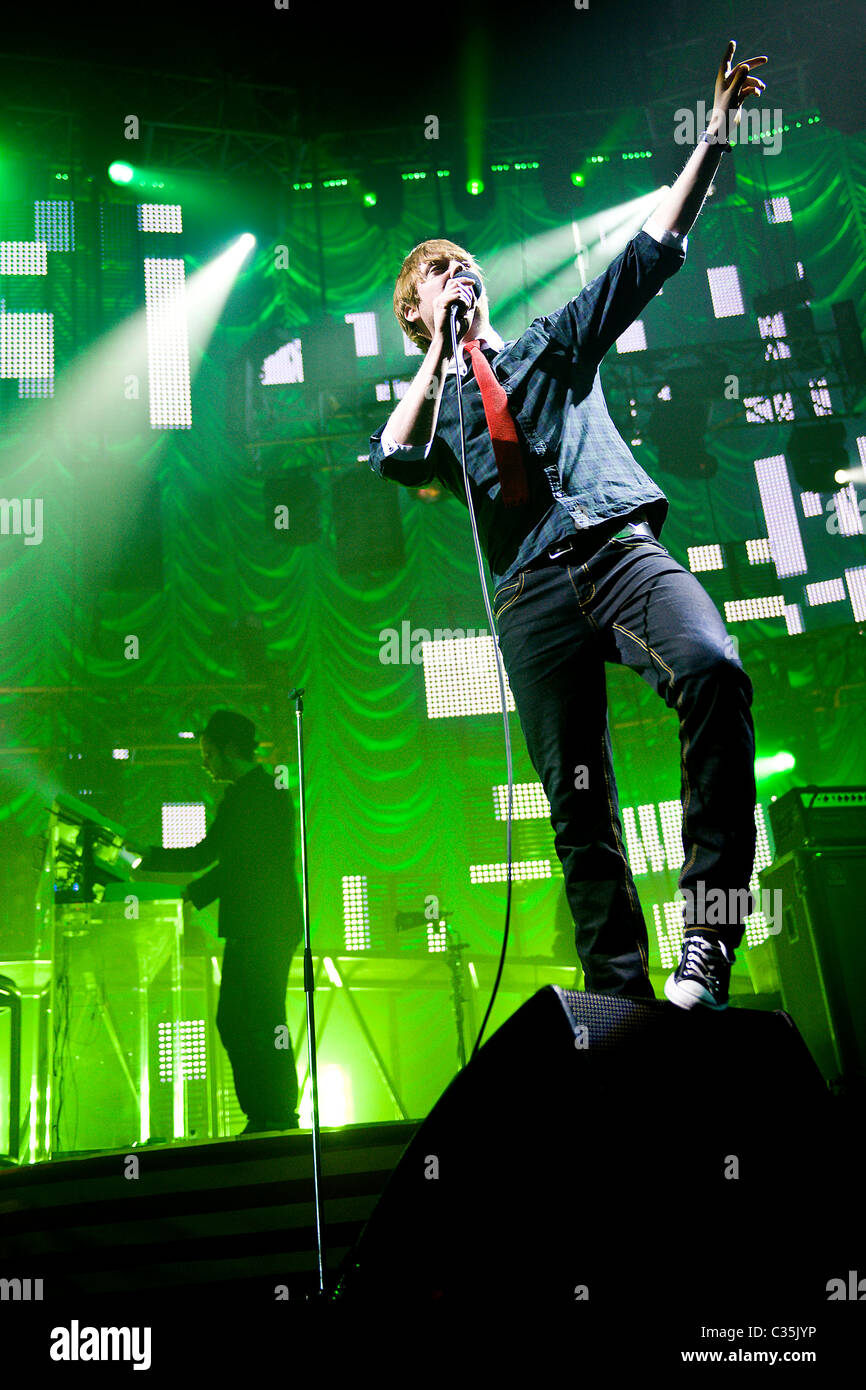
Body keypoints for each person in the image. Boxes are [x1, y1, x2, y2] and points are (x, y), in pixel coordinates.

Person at [368, 43, 768, 1010]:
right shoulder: (437, 407)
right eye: (434, 275)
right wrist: (440, 356)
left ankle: (708, 943)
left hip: (615, 550)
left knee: (713, 667)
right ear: (416, 315)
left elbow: (647, 257)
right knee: (582, 806)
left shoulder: (550, 345)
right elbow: (392, 455)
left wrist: (711, 141)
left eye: (462, 266)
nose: (455, 272)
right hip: (531, 598)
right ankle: (623, 1003)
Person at [137, 710, 303, 1132]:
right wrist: (147, 857)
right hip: (259, 924)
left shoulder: (258, 793)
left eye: (208, 752)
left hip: (263, 925)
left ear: (229, 749)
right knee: (250, 1017)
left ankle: (275, 1115)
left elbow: (236, 861)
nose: (205, 762)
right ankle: (269, 1115)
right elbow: (208, 853)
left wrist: (191, 892)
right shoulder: (250, 793)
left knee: (256, 1017)